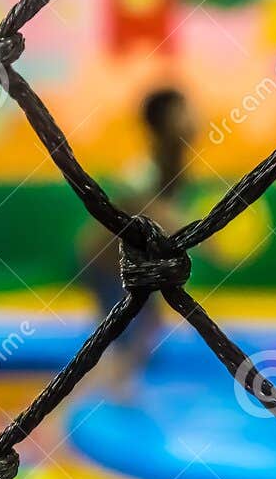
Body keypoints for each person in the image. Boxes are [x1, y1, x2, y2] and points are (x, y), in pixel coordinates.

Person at [80, 87, 197, 393]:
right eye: (183, 111)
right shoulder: (150, 162)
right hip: (107, 263)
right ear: (165, 121)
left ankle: (119, 393)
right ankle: (76, 411)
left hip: (130, 265)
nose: (193, 118)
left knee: (147, 329)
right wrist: (202, 232)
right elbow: (141, 202)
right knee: (117, 341)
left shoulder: (177, 159)